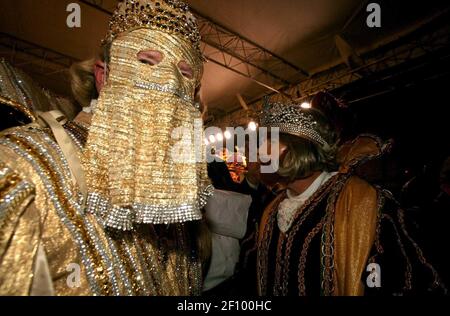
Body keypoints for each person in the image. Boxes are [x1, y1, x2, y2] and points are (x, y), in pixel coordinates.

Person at [0, 0, 213, 296]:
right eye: (147, 62)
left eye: (186, 74)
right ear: (105, 76)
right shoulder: (23, 166)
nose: (168, 82)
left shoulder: (179, 205)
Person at [256, 97, 446, 296]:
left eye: (270, 142)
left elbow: (403, 279)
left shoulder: (365, 202)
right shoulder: (270, 211)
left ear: (298, 149)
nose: (259, 152)